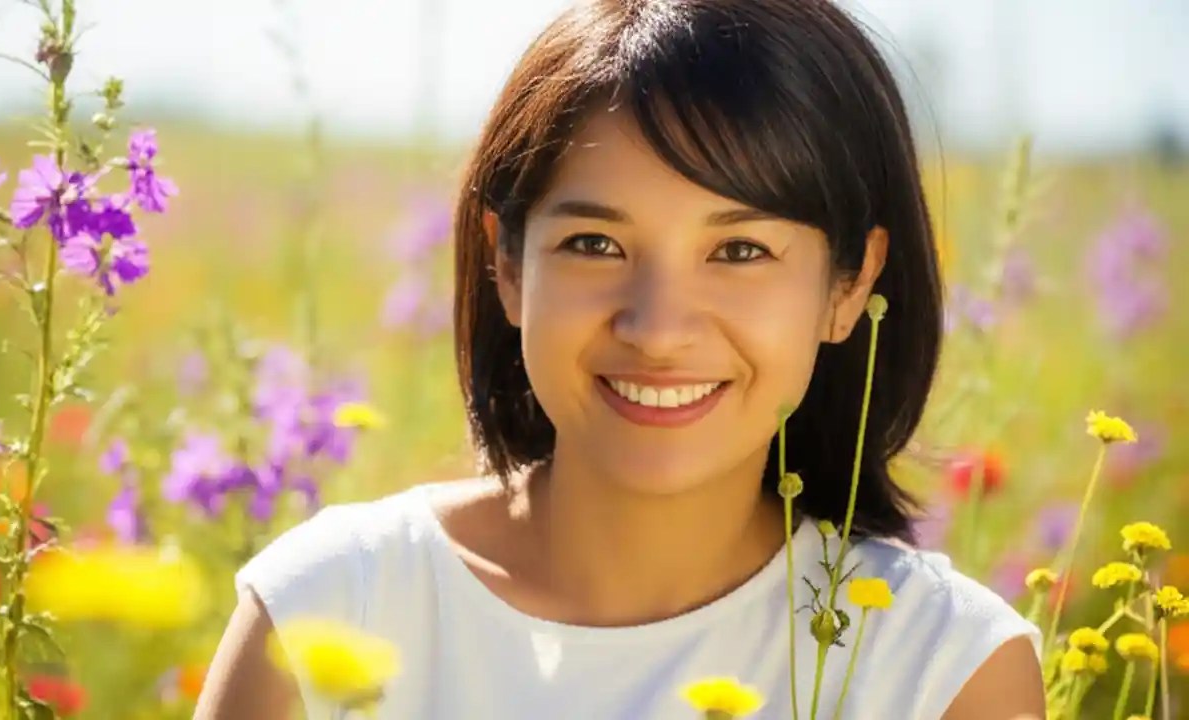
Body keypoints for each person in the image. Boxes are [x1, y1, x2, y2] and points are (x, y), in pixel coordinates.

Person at [194, 1, 1046, 718]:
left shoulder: (943, 669)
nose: (657, 328)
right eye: (596, 242)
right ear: (508, 265)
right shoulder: (331, 604)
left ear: (849, 284)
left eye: (741, 250)